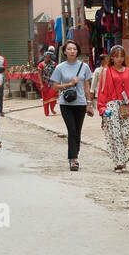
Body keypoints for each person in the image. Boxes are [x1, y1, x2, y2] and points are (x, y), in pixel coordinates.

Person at [49, 39, 94, 171]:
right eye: (69, 49)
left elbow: (87, 86)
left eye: (74, 49)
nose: (72, 51)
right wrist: (69, 84)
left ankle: (75, 152)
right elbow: (55, 87)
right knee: (72, 130)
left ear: (78, 51)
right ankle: (73, 159)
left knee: (77, 131)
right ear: (64, 51)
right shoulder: (59, 67)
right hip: (66, 103)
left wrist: (89, 103)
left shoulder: (84, 67)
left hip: (80, 103)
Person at [97, 45, 129, 171]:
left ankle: (122, 156)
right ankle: (119, 162)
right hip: (111, 105)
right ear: (112, 57)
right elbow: (101, 91)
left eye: (121, 56)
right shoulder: (106, 71)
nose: (119, 59)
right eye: (116, 56)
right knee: (115, 134)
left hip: (124, 105)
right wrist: (102, 108)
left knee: (126, 134)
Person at [39, 46, 59, 116]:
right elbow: (39, 75)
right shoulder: (41, 65)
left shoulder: (54, 64)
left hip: (53, 83)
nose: (46, 58)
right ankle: (46, 112)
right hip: (44, 83)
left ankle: (52, 108)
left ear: (50, 57)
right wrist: (41, 84)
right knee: (45, 98)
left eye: (48, 57)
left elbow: (57, 73)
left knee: (53, 96)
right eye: (45, 57)